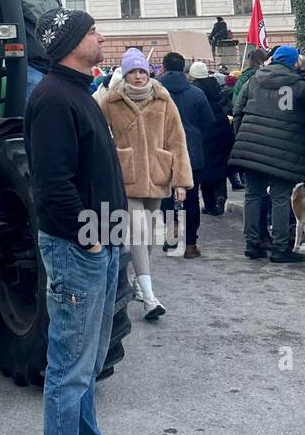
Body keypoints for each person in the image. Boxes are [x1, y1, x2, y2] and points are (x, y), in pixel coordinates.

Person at [25, 7, 149, 435]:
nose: (102, 36)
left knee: (91, 362)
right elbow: (51, 186)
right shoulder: (54, 100)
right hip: (79, 253)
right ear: (74, 42)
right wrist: (90, 237)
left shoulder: (78, 91)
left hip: (99, 248)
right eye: (94, 30)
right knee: (69, 370)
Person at [100, 48, 192, 321]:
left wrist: (181, 181)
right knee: (138, 232)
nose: (138, 77)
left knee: (149, 235)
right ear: (125, 75)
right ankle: (150, 298)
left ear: (149, 72)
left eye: (141, 71)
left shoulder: (164, 99)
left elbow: (177, 140)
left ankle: (140, 281)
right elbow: (98, 134)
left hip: (157, 175)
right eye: (132, 72)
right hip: (126, 178)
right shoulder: (111, 101)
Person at [230, 45, 305, 265]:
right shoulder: (297, 85)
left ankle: (252, 244)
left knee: (253, 195)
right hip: (283, 150)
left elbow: (238, 109)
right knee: (280, 198)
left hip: (251, 146)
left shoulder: (253, 80)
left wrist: (241, 138)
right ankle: (281, 248)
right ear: (293, 63)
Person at [158, 52, 214, 257]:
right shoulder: (197, 93)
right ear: (184, 68)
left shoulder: (155, 93)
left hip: (162, 152)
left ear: (163, 67)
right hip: (192, 152)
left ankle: (172, 236)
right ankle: (190, 243)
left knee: (165, 196)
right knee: (191, 198)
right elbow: (208, 121)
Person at [188, 61, 235, 217]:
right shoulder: (215, 85)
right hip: (221, 129)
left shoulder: (194, 90)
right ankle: (221, 196)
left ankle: (210, 205)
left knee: (206, 173)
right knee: (220, 169)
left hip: (205, 134)